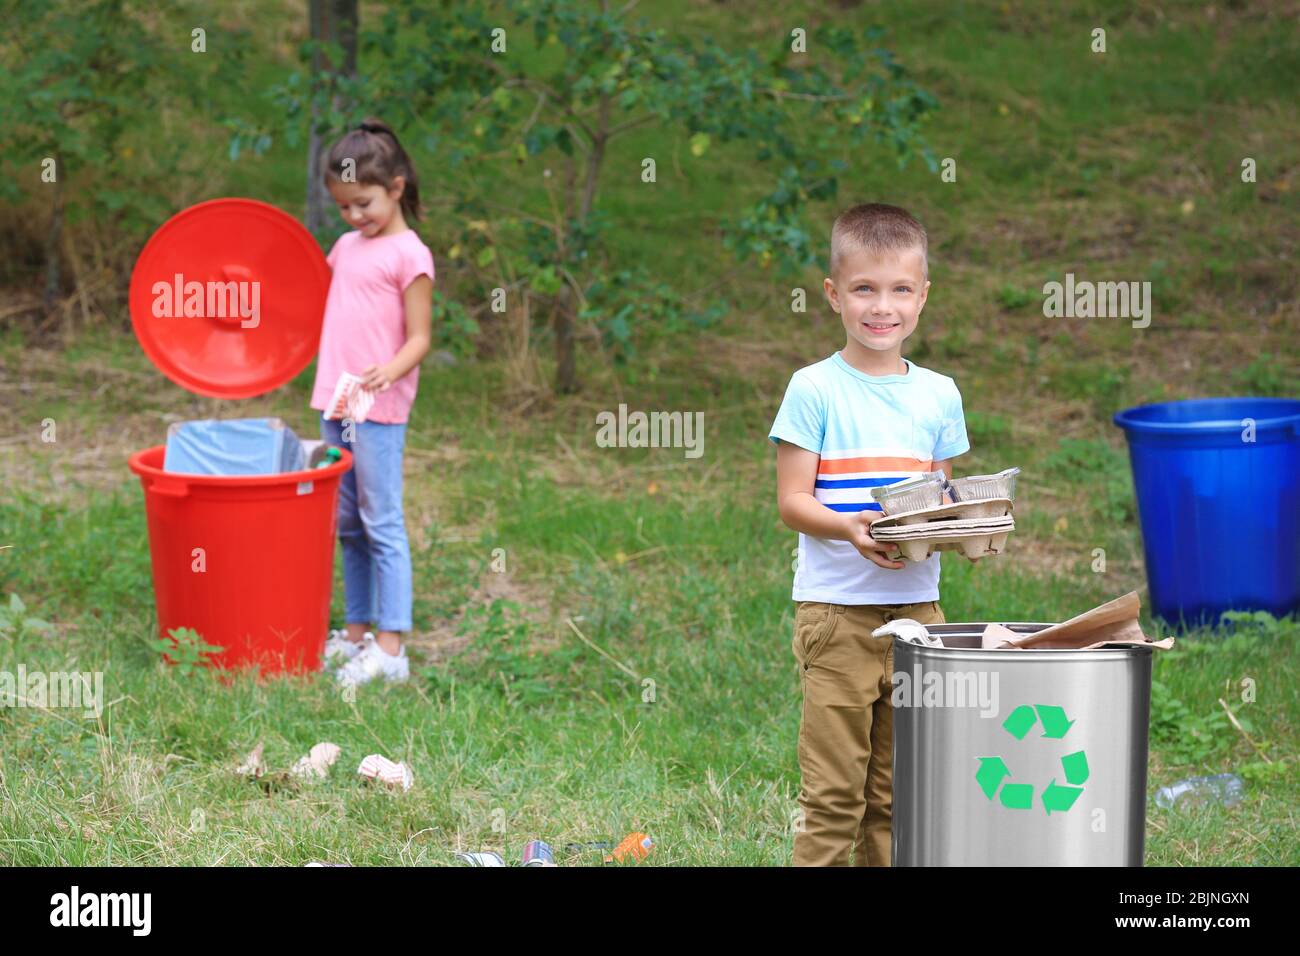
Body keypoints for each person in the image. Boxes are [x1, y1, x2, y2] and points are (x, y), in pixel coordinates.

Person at [770, 203, 971, 866]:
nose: (881, 306)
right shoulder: (814, 389)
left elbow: (938, 500)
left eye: (899, 290)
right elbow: (793, 503)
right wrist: (850, 528)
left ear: (923, 297)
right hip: (837, 616)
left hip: (919, 615)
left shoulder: (940, 394)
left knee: (896, 794)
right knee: (834, 796)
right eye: (864, 288)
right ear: (834, 294)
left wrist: (964, 524)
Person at [312, 118, 434, 687]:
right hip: (336, 403)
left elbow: (420, 338)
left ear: (397, 188)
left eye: (363, 203)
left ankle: (391, 648)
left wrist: (389, 371)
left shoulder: (410, 255)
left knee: (381, 520)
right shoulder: (344, 247)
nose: (354, 216)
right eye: (343, 207)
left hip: (378, 410)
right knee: (348, 523)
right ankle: (356, 631)